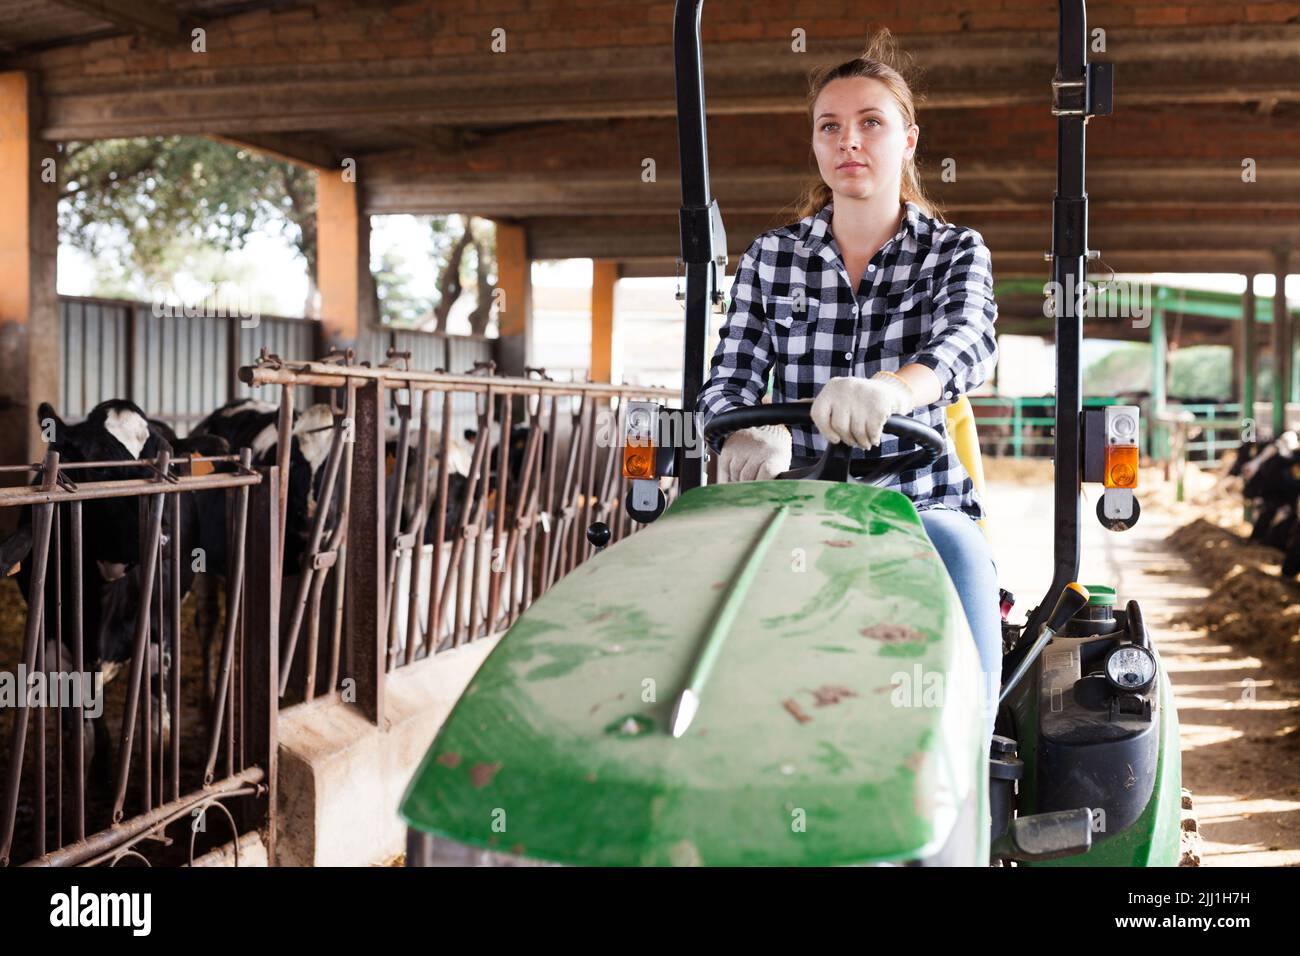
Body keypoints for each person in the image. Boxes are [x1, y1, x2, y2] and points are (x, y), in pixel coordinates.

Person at [695, 33, 1002, 736]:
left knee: (959, 558)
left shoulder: (954, 251)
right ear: (814, 144)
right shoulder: (775, 257)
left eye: (871, 122)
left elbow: (965, 344)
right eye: (829, 126)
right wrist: (747, 430)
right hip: (794, 503)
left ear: (909, 139)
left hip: (919, 506)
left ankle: (970, 761)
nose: (849, 141)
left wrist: (894, 391)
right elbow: (729, 375)